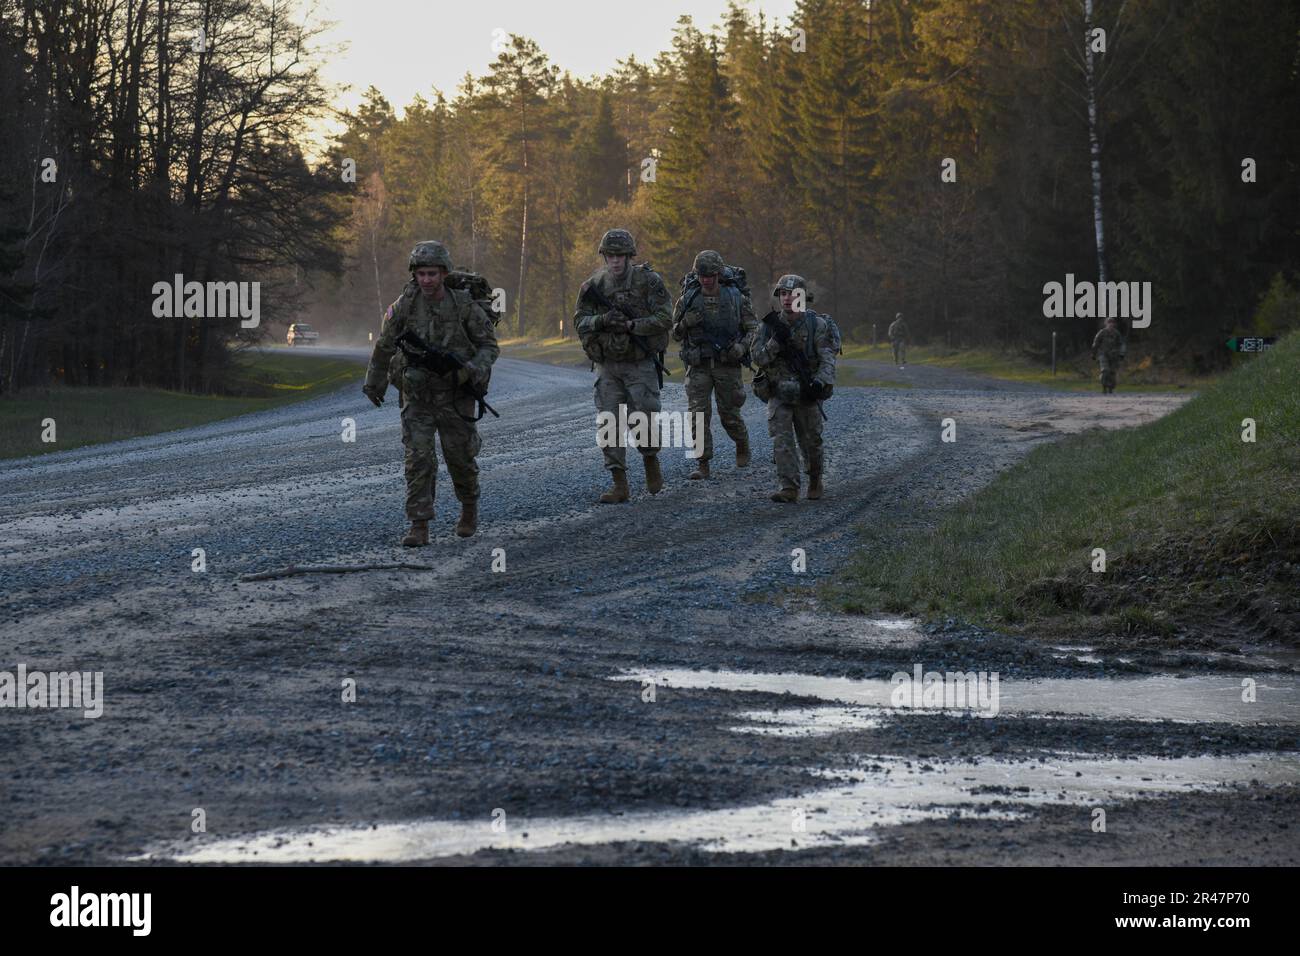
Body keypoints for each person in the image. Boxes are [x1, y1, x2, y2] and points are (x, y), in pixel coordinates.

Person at [362, 241, 499, 545]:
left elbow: (490, 347)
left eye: (432, 274)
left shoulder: (463, 305)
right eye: (421, 274)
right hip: (418, 396)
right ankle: (419, 524)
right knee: (418, 459)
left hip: (455, 394)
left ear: (444, 273)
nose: (426, 280)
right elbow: (385, 344)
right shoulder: (405, 305)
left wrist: (469, 370)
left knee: (460, 457)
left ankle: (468, 509)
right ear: (414, 275)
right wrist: (375, 383)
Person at [573, 229, 674, 503]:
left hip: (639, 362)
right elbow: (580, 321)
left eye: (620, 255)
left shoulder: (648, 281)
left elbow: (666, 317)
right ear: (604, 256)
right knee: (608, 423)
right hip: (608, 364)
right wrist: (602, 321)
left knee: (643, 416)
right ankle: (619, 483)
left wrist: (633, 325)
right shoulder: (594, 285)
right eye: (610, 255)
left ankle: (650, 458)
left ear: (629, 256)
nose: (615, 261)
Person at [671, 250, 758, 480]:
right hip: (698, 364)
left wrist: (741, 347)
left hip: (727, 364)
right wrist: (685, 323)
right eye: (701, 275)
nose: (705, 280)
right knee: (697, 415)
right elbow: (675, 333)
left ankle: (741, 442)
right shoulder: (688, 299)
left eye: (710, 275)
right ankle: (703, 463)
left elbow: (753, 329)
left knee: (729, 413)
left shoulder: (736, 298)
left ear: (718, 274)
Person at [751, 275, 837, 502]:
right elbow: (757, 358)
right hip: (778, 391)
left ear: (803, 297)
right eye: (783, 294)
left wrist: (819, 382)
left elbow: (828, 358)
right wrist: (774, 343)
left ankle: (815, 478)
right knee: (782, 439)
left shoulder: (816, 325)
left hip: (807, 391)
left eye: (793, 294)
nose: (788, 299)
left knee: (811, 441)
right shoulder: (769, 326)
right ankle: (788, 487)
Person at [1091, 317, 1126, 394]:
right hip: (1103, 354)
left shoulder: (1117, 333)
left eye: (1112, 323)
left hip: (1114, 355)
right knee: (1105, 370)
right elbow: (1095, 343)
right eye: (1109, 323)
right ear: (1106, 324)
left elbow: (1121, 344)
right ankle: (1104, 386)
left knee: (1112, 372)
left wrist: (1122, 353)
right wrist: (1094, 353)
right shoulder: (1101, 333)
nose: (1111, 324)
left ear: (1114, 324)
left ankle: (1111, 387)